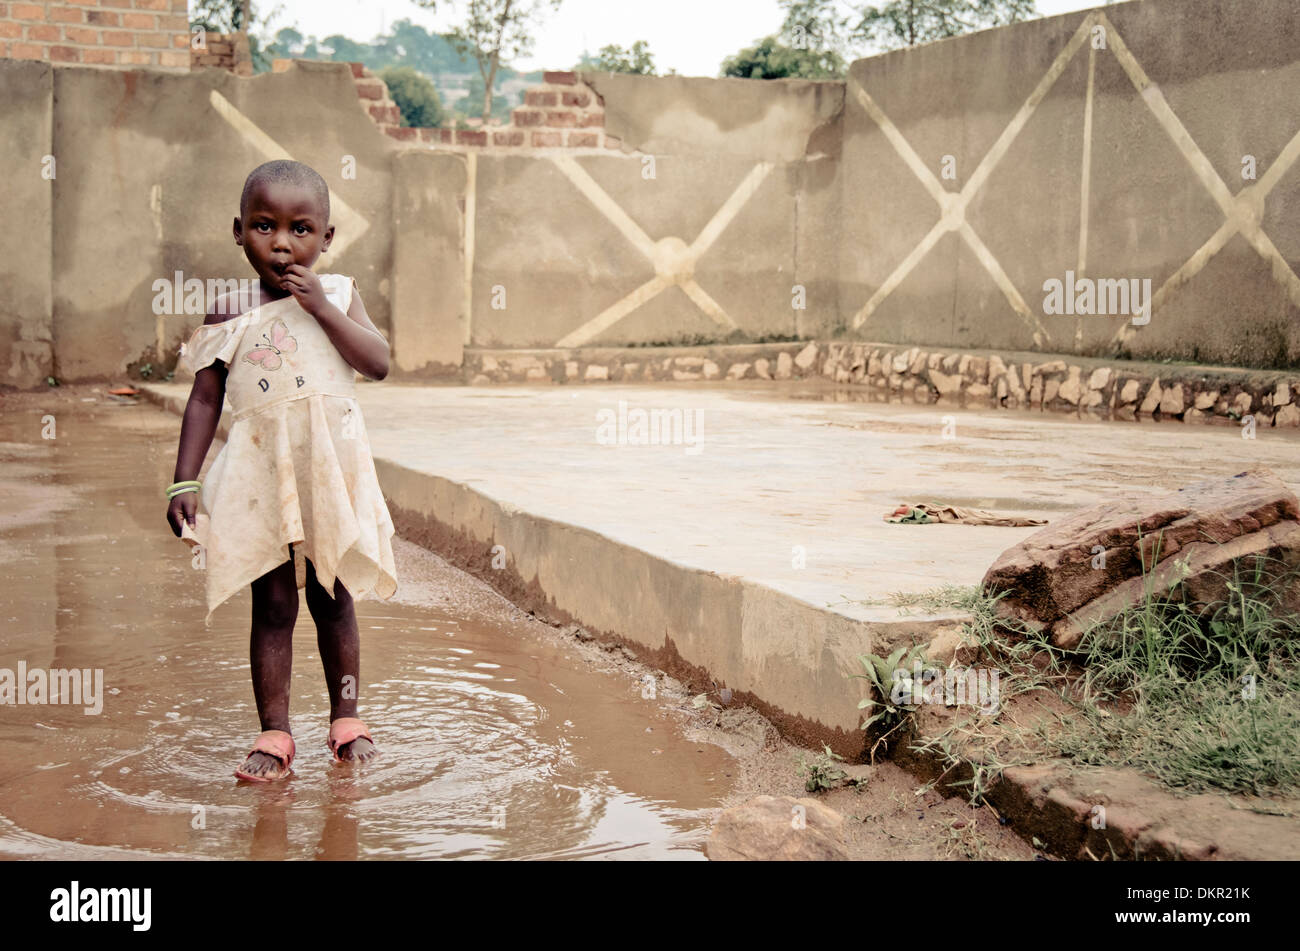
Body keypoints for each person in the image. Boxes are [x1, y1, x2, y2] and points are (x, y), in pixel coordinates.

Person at [166, 160, 398, 782]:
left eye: (301, 229)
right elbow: (206, 399)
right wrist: (185, 479)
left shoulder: (342, 294)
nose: (283, 243)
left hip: (326, 471)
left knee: (333, 594)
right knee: (270, 603)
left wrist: (322, 307)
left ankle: (347, 722)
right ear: (238, 232)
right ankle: (275, 733)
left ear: (326, 239)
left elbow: (377, 364)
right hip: (261, 475)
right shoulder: (229, 310)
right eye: (265, 226)